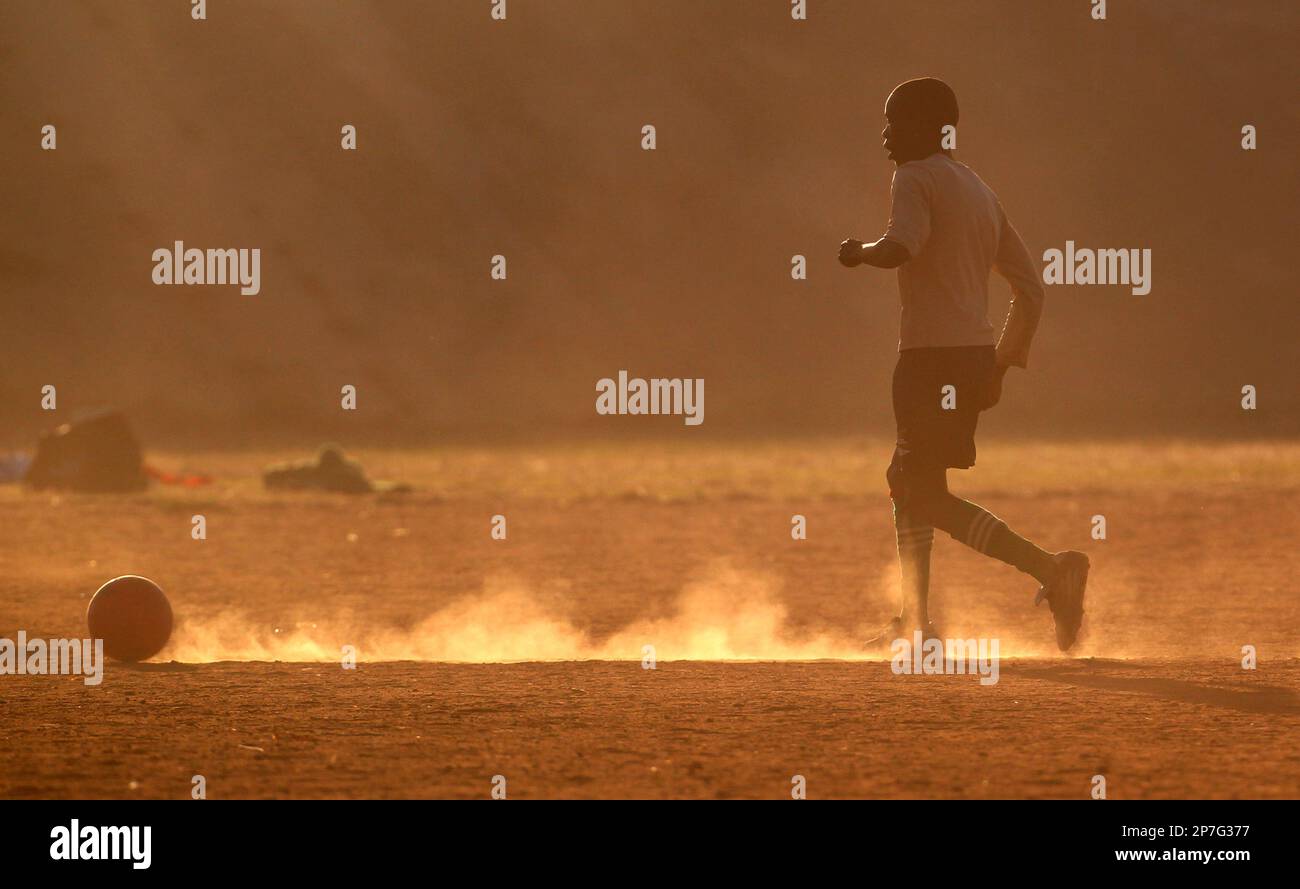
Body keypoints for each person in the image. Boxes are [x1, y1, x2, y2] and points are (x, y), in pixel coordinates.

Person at [838, 77, 1089, 651]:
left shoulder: (914, 177)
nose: (885, 133)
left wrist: (859, 254)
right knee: (912, 482)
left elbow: (903, 244)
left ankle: (1051, 570)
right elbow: (1031, 288)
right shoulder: (978, 188)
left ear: (929, 129)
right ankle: (917, 623)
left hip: (929, 361)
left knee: (916, 489)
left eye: (895, 122)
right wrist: (999, 365)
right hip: (969, 358)